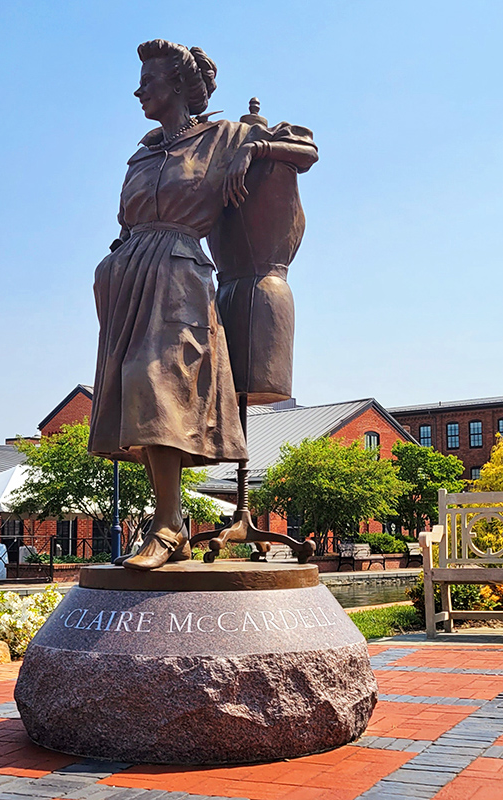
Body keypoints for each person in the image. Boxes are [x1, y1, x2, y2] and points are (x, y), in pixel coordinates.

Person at [88, 40, 318, 570]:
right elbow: (126, 221)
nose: (139, 89)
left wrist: (254, 149)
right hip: (127, 278)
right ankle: (171, 523)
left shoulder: (222, 136)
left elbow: (306, 149)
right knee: (133, 395)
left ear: (176, 86)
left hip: (179, 272)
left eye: (149, 80)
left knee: (156, 384)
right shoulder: (143, 152)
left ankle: (168, 526)